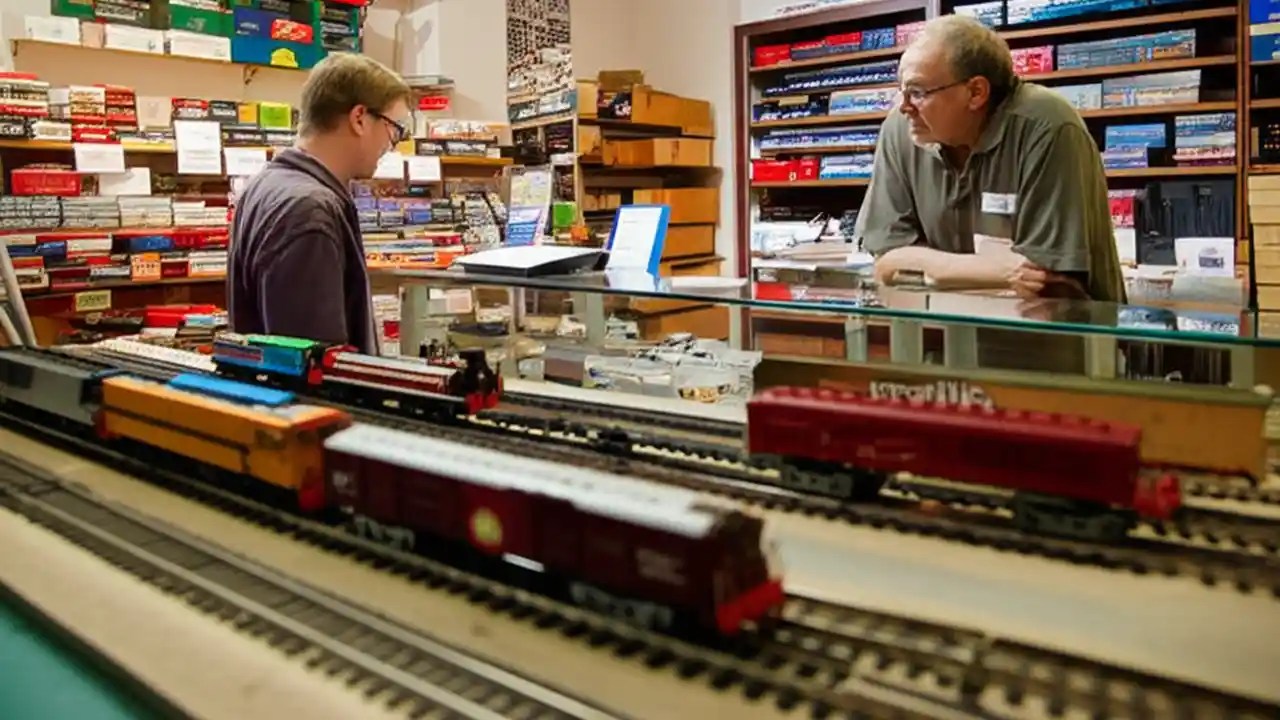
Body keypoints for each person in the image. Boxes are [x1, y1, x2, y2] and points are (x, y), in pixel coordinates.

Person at [855, 14, 1126, 303]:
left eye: (918, 92)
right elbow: (886, 262)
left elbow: (1048, 284)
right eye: (901, 91)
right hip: (949, 337)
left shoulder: (1049, 128)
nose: (904, 106)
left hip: (1060, 338)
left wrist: (924, 266)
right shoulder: (900, 130)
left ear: (976, 92)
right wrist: (1003, 271)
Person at [228, 52, 413, 355]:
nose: (392, 144)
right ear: (359, 119)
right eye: (395, 128)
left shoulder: (266, 185)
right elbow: (316, 364)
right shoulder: (308, 210)